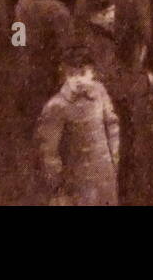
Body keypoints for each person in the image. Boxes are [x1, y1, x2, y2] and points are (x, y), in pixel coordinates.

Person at [35, 50, 122, 205]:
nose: (78, 80)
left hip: (103, 177)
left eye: (82, 73)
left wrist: (113, 158)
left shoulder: (100, 93)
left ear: (92, 73)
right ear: (64, 76)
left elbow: (112, 125)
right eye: (72, 74)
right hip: (75, 181)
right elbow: (48, 149)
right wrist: (57, 181)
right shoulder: (56, 106)